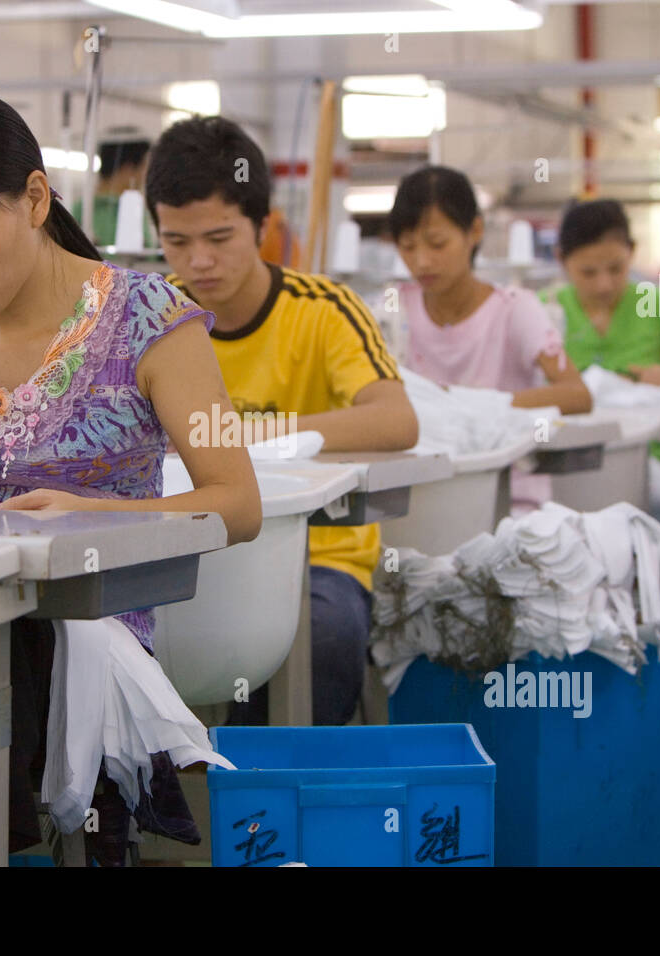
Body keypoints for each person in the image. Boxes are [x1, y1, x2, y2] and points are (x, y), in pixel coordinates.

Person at [0, 92, 262, 864]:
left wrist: (92, 513)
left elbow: (237, 503)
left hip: (82, 621)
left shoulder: (149, 321)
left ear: (35, 198)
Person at [145, 115, 419, 727]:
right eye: (177, 240)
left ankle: (262, 801)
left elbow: (395, 420)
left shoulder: (323, 312)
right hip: (182, 549)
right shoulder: (150, 319)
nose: (200, 260)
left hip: (317, 555)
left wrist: (255, 435)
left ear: (263, 226)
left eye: (220, 237)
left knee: (321, 637)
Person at [388, 164, 590, 510]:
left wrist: (470, 405)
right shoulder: (393, 312)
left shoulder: (515, 310)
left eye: (437, 244)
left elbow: (576, 395)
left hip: (509, 502)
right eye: (407, 247)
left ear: (475, 231)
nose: (421, 261)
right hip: (422, 500)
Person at [544, 199, 660, 481]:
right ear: (561, 259)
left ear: (632, 252)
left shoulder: (659, 305)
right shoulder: (545, 310)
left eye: (616, 268)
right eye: (588, 273)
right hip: (567, 462)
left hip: (647, 463)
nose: (604, 284)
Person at [70, 136, 155, 248]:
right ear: (128, 169)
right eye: (144, 166)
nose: (145, 175)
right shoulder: (82, 212)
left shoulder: (134, 208)